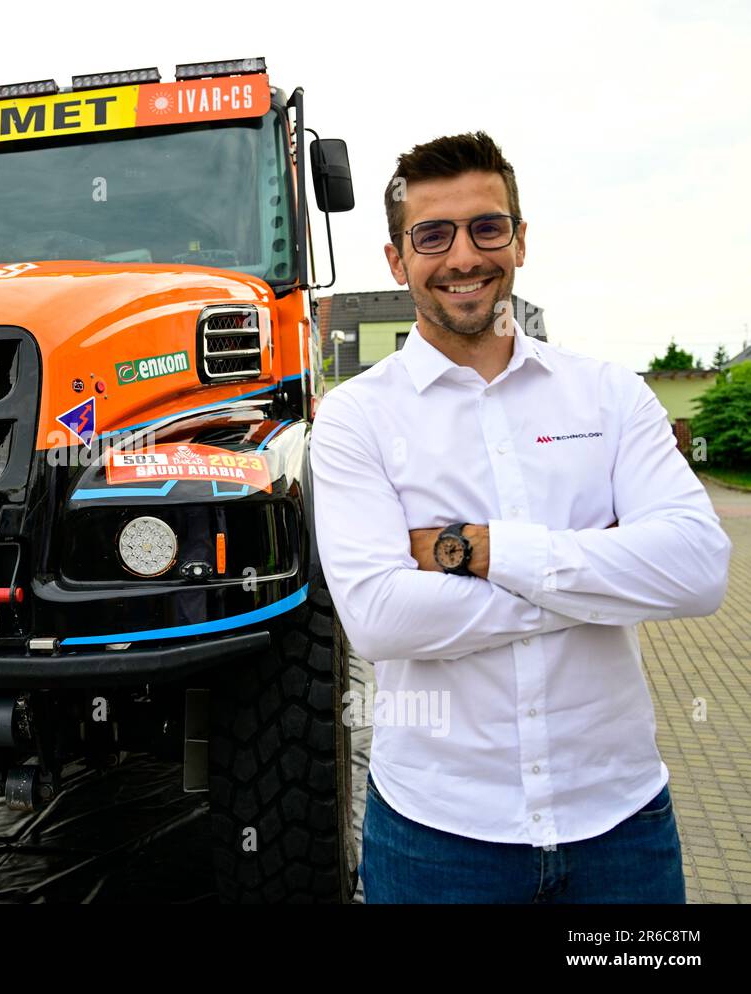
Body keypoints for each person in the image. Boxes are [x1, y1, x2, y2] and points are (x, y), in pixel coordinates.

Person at [310, 131, 731, 903]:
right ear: (398, 260)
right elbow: (381, 619)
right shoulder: (355, 419)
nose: (463, 256)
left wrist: (478, 550)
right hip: (437, 837)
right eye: (433, 236)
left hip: (620, 827)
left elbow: (698, 570)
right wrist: (599, 578)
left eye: (487, 227)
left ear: (521, 240)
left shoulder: (609, 395)